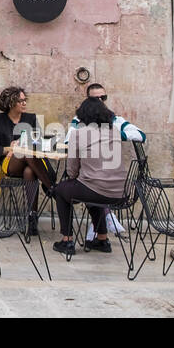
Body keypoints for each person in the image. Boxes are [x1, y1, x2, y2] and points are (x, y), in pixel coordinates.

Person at [64, 82, 145, 239]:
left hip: (99, 177)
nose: (100, 101)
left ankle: (86, 232)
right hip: (102, 178)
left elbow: (141, 135)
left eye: (103, 97)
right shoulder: (79, 120)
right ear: (88, 101)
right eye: (96, 98)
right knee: (91, 180)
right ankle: (105, 222)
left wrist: (116, 136)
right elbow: (68, 140)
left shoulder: (115, 121)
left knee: (81, 184)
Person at [52, 97, 129, 258]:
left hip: (95, 189)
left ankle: (67, 240)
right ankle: (102, 239)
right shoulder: (115, 131)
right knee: (93, 187)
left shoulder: (79, 134)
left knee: (61, 190)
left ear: (83, 115)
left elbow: (72, 171)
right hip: (121, 193)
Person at [0, 86, 54, 235]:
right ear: (11, 103)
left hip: (29, 163)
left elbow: (39, 142)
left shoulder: (30, 118)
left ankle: (31, 218)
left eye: (25, 100)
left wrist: (28, 144)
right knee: (25, 153)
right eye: (20, 101)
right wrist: (9, 149)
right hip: (8, 163)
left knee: (29, 171)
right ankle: (51, 186)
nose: (24, 103)